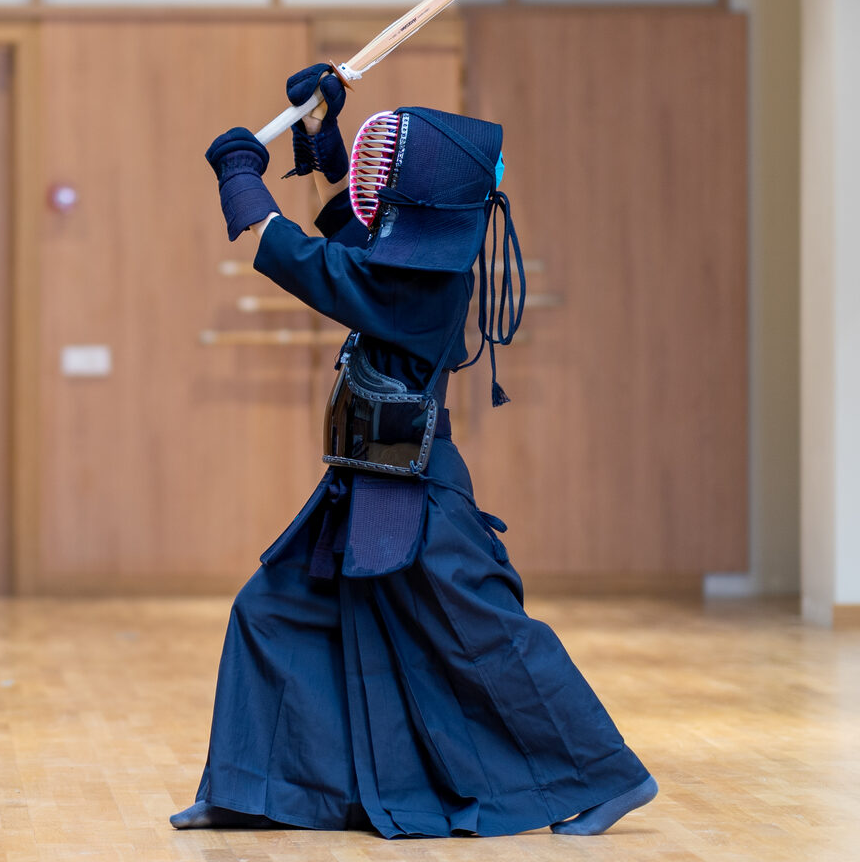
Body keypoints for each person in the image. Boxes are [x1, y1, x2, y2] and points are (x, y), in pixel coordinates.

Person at [177, 65, 657, 838]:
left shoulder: (420, 288)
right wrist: (323, 142)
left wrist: (243, 184)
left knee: (487, 638)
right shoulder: (413, 265)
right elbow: (355, 235)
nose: (382, 192)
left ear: (422, 197)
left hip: (418, 495)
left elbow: (317, 266)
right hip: (367, 486)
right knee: (270, 612)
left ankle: (611, 775)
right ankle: (254, 786)